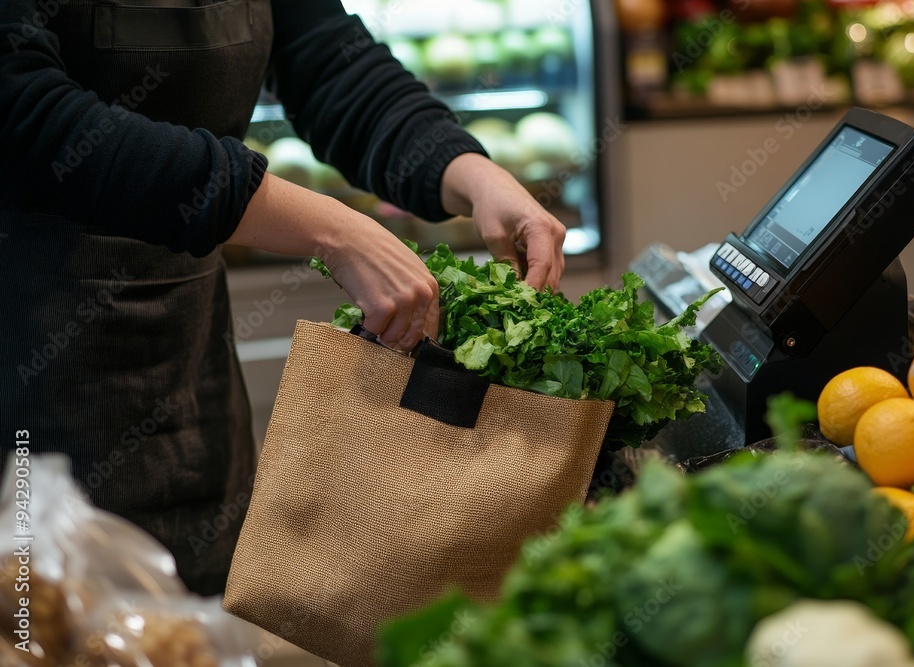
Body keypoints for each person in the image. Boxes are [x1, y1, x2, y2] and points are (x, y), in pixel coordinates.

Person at [0, 0, 566, 595]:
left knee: (194, 625)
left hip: (188, 361)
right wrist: (333, 229)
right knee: (40, 618)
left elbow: (331, 63)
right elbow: (23, 114)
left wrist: (476, 176)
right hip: (27, 364)